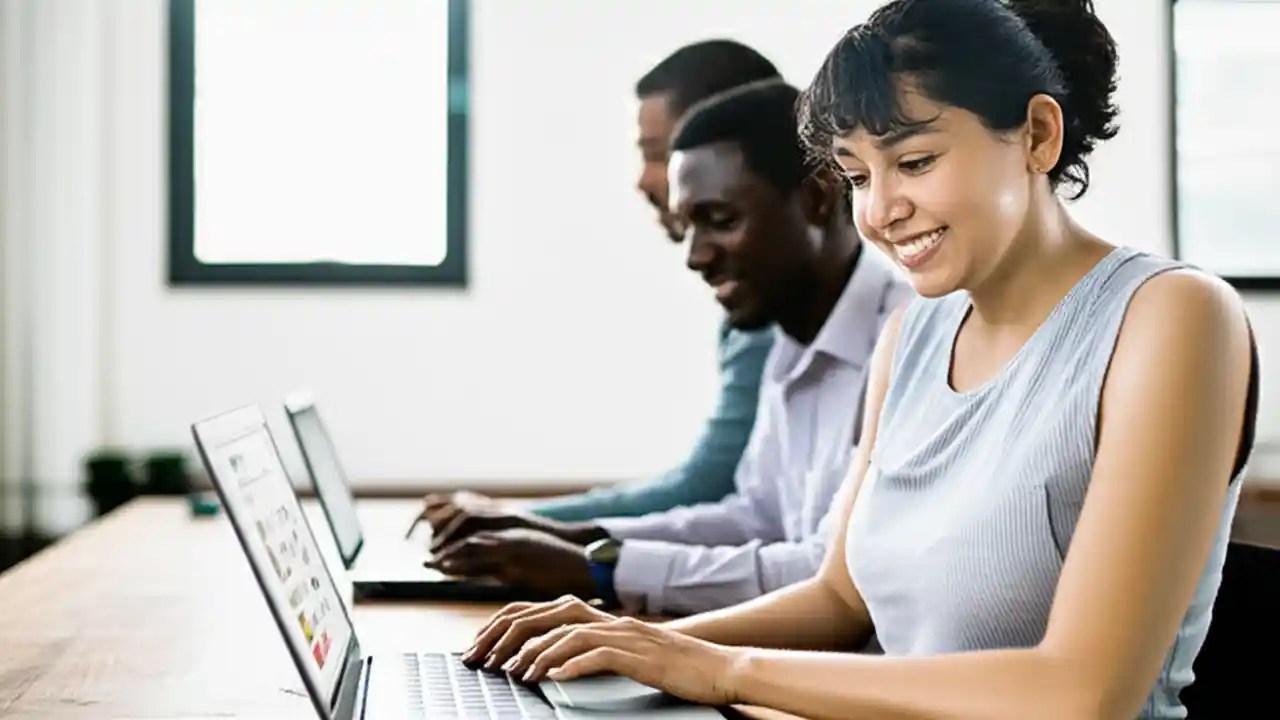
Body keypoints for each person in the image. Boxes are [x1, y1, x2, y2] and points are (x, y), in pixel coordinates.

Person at [455, 1, 1259, 718]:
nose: (880, 210)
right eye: (855, 175)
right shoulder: (911, 336)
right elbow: (841, 598)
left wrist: (719, 669)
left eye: (915, 162)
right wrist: (637, 643)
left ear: (1037, 136)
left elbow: (1081, 692)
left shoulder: (1172, 317)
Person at [425, 79, 912, 616]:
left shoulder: (909, 344)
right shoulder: (791, 338)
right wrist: (576, 537)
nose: (696, 256)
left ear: (817, 199)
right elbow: (756, 516)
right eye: (686, 227)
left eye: (721, 221)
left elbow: (825, 574)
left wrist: (599, 567)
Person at [413, 41, 781, 540]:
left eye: (658, 155)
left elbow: (708, 487)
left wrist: (525, 520)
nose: (644, 181)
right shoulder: (749, 303)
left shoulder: (777, 314)